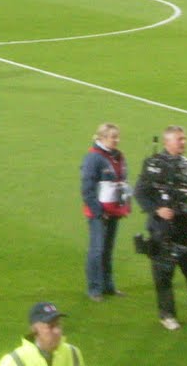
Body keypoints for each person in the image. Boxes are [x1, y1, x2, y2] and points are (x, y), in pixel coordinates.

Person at [134, 124, 187, 330]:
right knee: (163, 274)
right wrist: (157, 209)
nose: (183, 143)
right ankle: (167, 315)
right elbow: (140, 193)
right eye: (179, 139)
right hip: (161, 229)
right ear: (167, 142)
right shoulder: (153, 165)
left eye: (184, 139)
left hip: (184, 226)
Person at [80, 122, 130, 301]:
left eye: (117, 136)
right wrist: (98, 212)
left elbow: (122, 181)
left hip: (114, 210)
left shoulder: (117, 156)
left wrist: (124, 204)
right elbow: (87, 189)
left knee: (107, 250)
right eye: (112, 137)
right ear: (101, 138)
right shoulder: (93, 158)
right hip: (99, 214)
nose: (116, 140)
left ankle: (108, 286)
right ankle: (94, 289)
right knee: (97, 250)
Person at [0, 302, 84, 366]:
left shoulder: (73, 353)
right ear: (34, 330)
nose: (57, 331)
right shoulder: (13, 362)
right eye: (51, 326)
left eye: (58, 324)